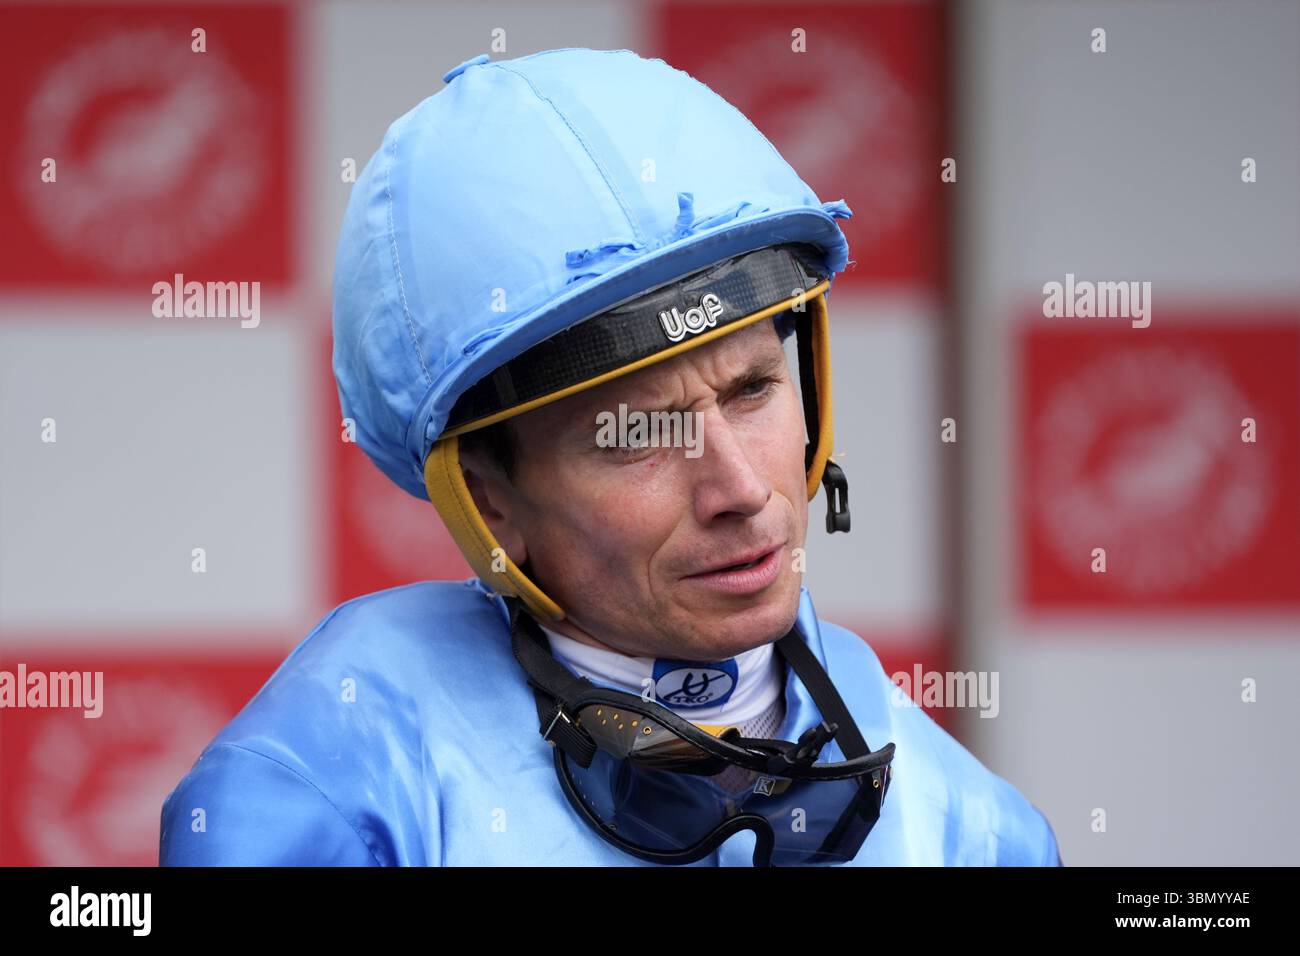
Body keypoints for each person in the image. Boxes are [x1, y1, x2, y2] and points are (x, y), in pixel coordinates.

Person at [159, 47, 1062, 867]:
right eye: (637, 436)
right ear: (489, 501)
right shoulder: (331, 789)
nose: (741, 490)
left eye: (752, 390)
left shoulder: (972, 829)